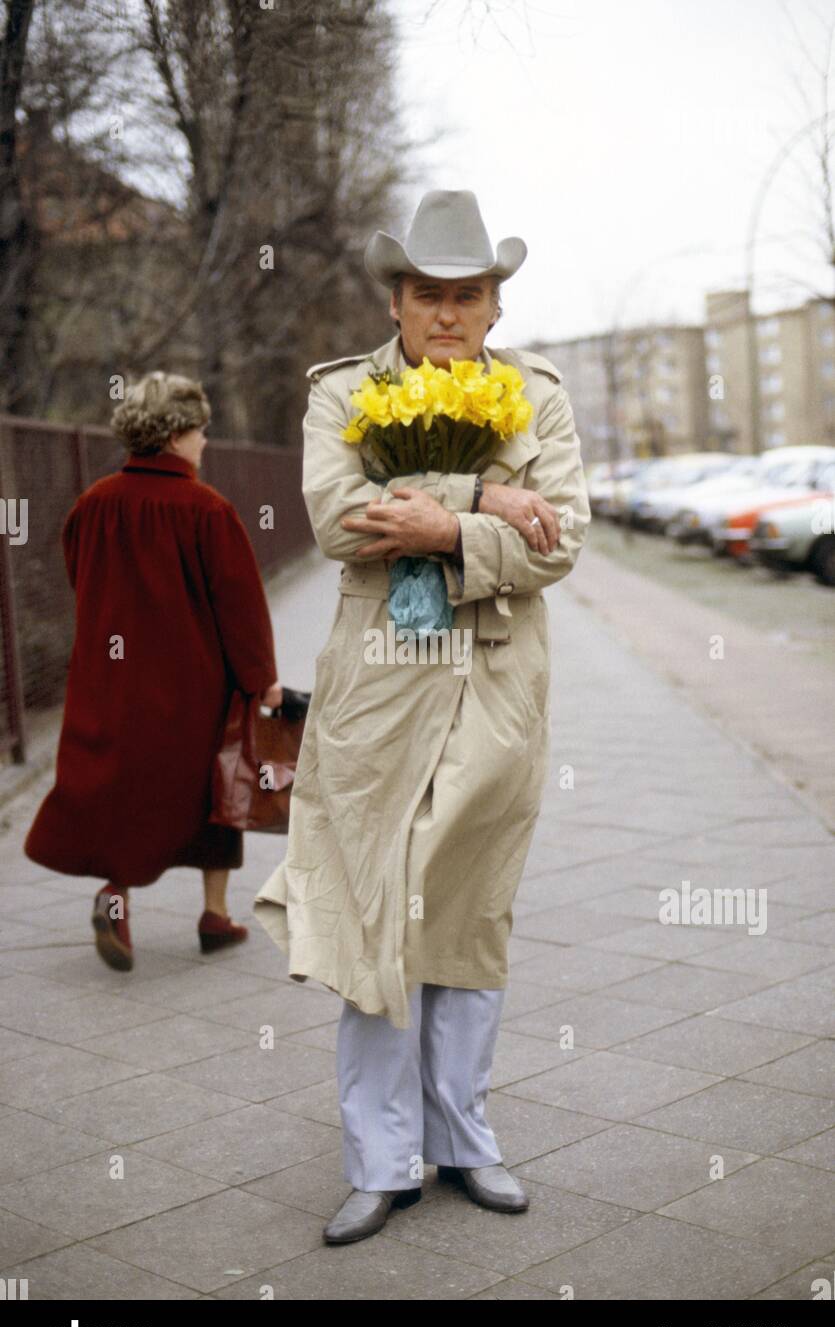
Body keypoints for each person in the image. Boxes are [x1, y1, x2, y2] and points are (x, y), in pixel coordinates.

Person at [253, 189, 591, 1243]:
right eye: (427, 294)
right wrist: (483, 503)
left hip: (493, 685)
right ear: (395, 299)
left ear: (493, 304)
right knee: (375, 911)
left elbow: (564, 539)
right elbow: (340, 520)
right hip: (379, 689)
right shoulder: (341, 394)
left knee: (467, 917)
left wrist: (439, 527)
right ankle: (379, 1158)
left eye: (467, 294)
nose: (447, 314)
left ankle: (464, 1141)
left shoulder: (536, 396)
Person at [24, 372, 283, 970]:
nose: (205, 442)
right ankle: (215, 915)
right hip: (195, 686)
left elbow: (77, 575)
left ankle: (115, 901)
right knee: (218, 792)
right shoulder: (208, 511)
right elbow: (239, 604)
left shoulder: (93, 505)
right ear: (172, 434)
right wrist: (259, 677)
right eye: (199, 430)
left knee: (122, 794)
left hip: (109, 682)